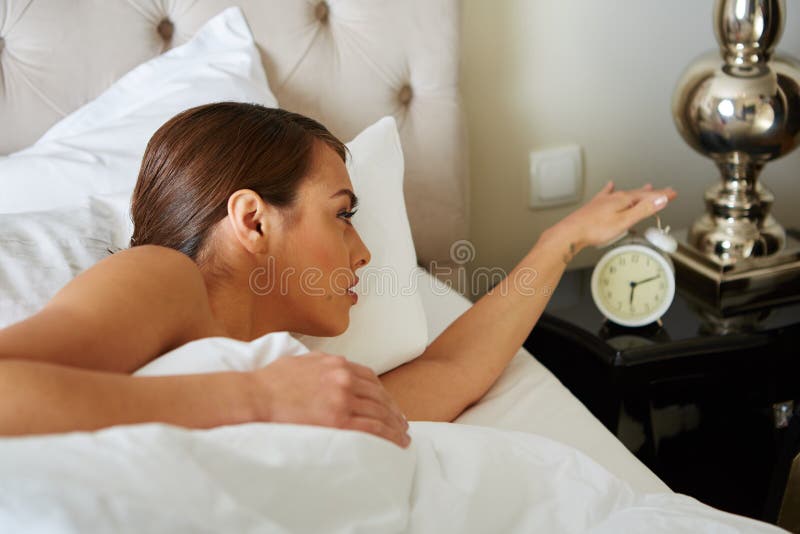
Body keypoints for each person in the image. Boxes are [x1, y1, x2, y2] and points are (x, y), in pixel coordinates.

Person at [0, 102, 676, 447]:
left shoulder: (298, 374)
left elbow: (452, 376)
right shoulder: (163, 278)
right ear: (255, 221)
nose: (365, 253)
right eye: (343, 214)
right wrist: (259, 402)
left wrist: (560, 243)